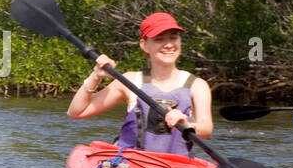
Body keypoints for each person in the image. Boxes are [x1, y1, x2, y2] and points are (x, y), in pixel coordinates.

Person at [66, 12, 212, 157]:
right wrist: (95, 76)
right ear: (145, 45)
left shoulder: (197, 86)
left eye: (174, 38)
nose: (168, 45)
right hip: (131, 167)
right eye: (159, 39)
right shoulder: (129, 81)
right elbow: (76, 112)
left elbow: (206, 130)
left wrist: (187, 124)